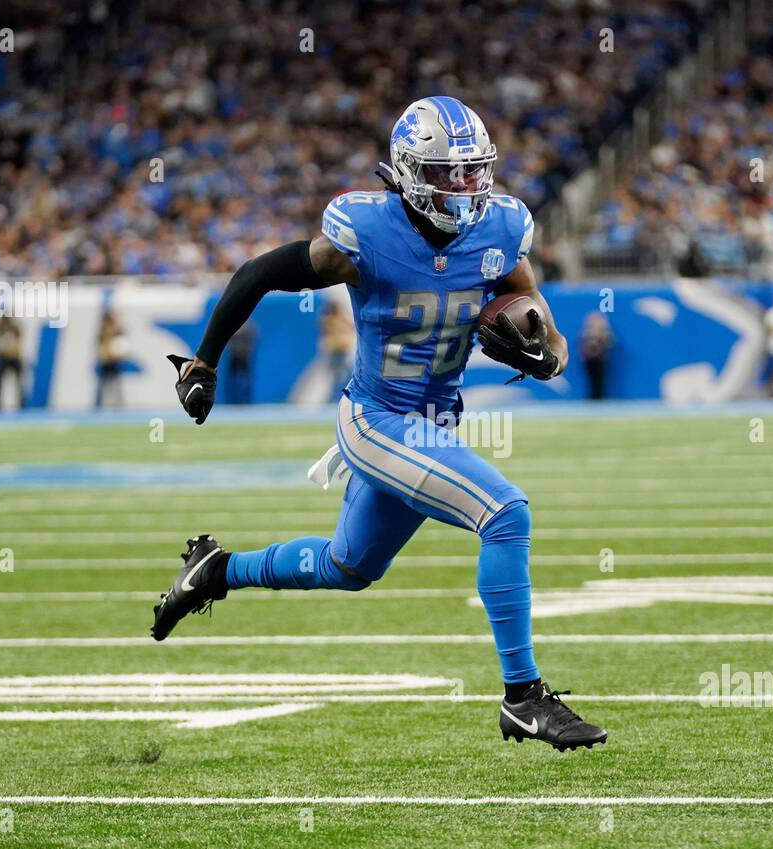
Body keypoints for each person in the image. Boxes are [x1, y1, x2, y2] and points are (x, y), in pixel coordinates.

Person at [154, 97, 606, 752]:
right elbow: (257, 274)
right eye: (449, 174)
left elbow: (547, 327)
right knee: (506, 514)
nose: (466, 187)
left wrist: (542, 353)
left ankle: (216, 570)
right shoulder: (365, 233)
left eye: (474, 171)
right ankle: (523, 698)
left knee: (349, 564)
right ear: (410, 173)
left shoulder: (501, 228)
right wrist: (204, 361)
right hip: (377, 417)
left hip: (432, 424)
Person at [319, 300, 355, 402]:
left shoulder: (333, 319)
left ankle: (339, 396)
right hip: (336, 350)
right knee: (338, 376)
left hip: (341, 350)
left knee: (344, 374)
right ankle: (335, 397)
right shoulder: (329, 320)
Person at [95, 307, 128, 409]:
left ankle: (119, 406)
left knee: (116, 385)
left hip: (114, 362)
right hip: (106, 363)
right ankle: (101, 406)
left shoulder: (117, 331)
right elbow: (101, 347)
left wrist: (116, 354)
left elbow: (122, 346)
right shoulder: (103, 332)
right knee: (104, 385)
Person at [0, 314, 25, 410]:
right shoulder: (1, 328)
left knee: (19, 382)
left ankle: (22, 403)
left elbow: (18, 338)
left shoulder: (15, 328)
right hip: (3, 358)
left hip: (14, 357)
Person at [579, 312, 614, 400]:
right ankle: (592, 397)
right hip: (590, 359)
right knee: (591, 380)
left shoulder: (603, 333)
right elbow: (583, 346)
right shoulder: (586, 333)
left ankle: (599, 397)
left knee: (599, 380)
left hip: (600, 359)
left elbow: (610, 342)